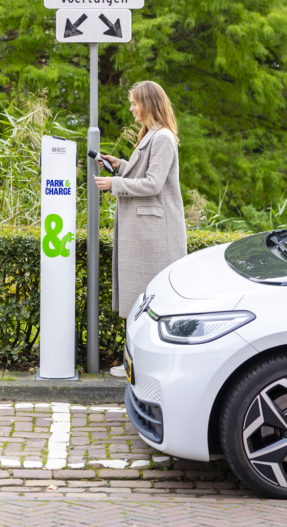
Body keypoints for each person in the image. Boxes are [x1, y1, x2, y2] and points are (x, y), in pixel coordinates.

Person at [94, 81, 188, 377]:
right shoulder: (152, 136)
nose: (132, 108)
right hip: (148, 232)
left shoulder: (161, 139)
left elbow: (153, 184)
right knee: (142, 300)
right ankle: (133, 364)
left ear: (148, 103)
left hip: (154, 234)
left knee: (148, 301)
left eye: (135, 103)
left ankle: (138, 366)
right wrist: (120, 165)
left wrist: (114, 184)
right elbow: (146, 174)